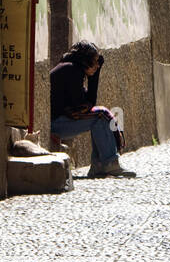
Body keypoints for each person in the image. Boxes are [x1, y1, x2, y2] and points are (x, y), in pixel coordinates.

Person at [50, 41, 135, 177]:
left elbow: (89, 104)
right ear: (85, 61)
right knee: (100, 116)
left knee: (98, 116)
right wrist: (94, 76)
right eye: (94, 61)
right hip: (55, 125)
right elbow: (83, 105)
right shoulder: (71, 70)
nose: (97, 65)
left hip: (61, 121)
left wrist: (94, 75)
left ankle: (99, 165)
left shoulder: (73, 69)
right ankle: (109, 163)